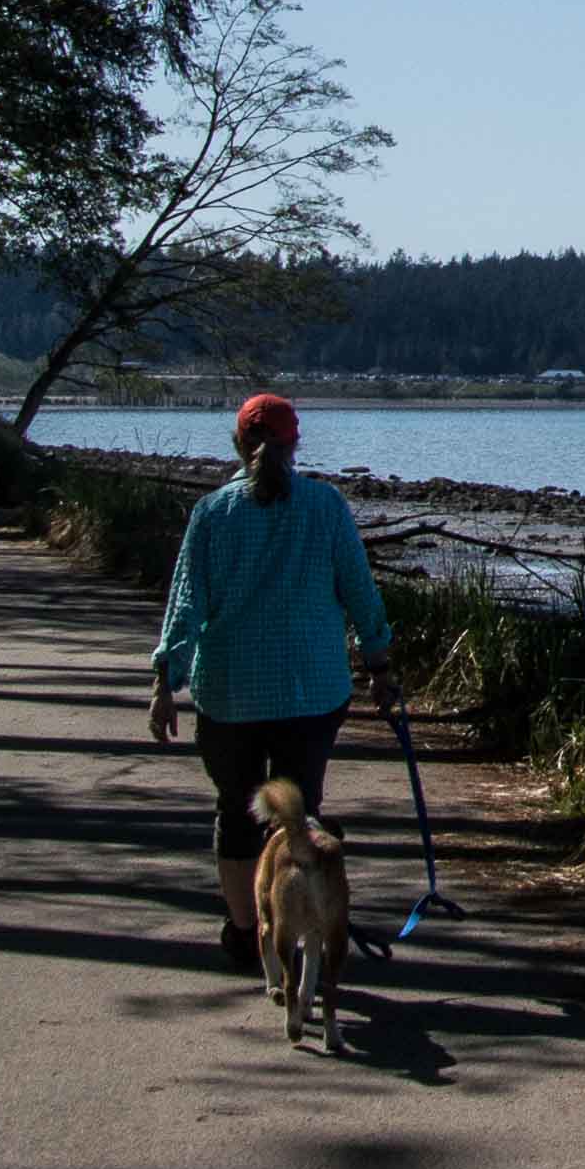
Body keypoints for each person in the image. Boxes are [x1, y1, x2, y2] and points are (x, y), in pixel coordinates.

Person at [144, 393, 389, 968]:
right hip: (312, 689)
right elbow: (359, 591)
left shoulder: (212, 513)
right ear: (294, 445)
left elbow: (186, 608)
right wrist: (379, 665)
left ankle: (243, 929)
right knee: (300, 814)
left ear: (238, 444)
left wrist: (165, 682)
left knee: (236, 812)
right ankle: (302, 924)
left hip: (231, 693)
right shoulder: (325, 507)